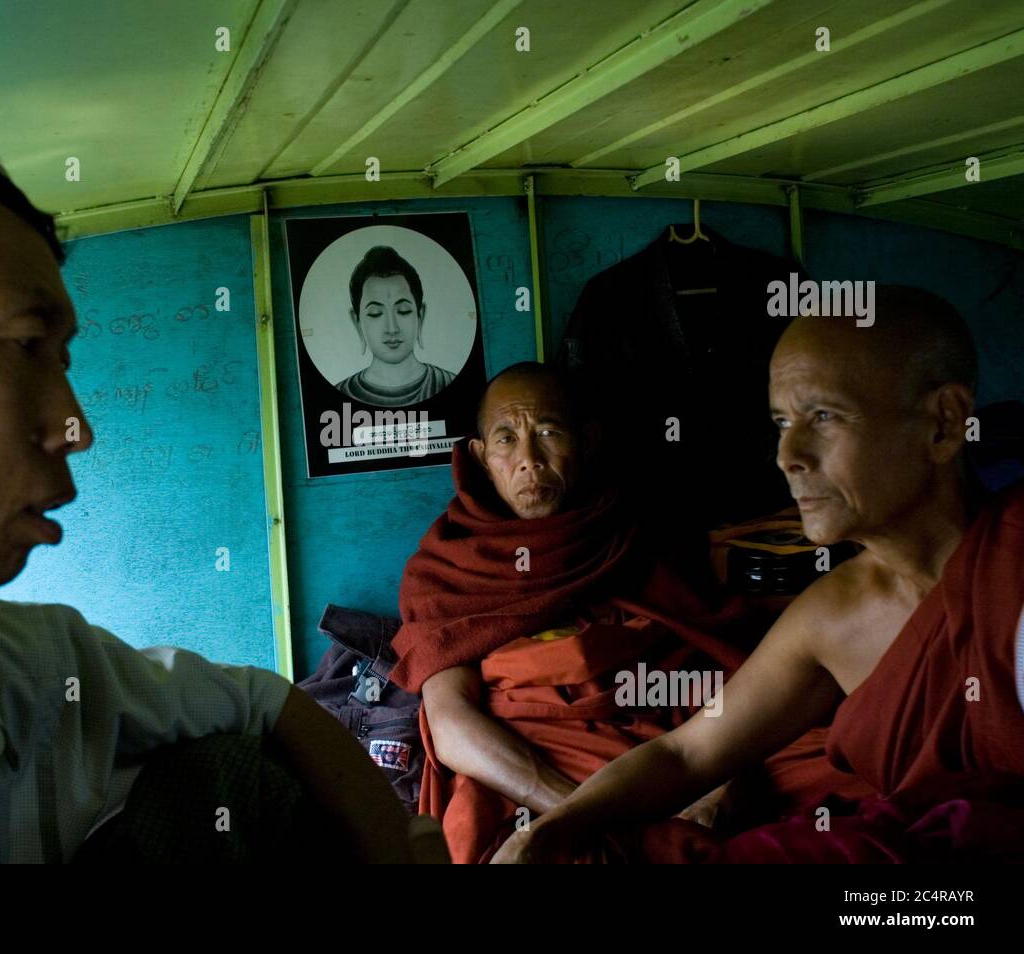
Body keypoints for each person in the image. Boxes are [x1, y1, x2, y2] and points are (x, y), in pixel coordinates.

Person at [0, 100, 415, 864]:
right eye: (23, 347)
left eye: (64, 360)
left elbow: (265, 699)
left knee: (228, 774)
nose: (76, 426)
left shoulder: (8, 663)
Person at [494, 286, 1024, 863]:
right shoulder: (832, 614)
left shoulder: (1011, 563)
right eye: (781, 422)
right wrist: (545, 833)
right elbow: (687, 755)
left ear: (944, 424)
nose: (787, 454)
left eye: (823, 416)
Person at [389, 361, 759, 863]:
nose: (529, 460)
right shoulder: (449, 568)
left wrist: (725, 783)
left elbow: (731, 673)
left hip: (664, 752)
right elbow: (453, 725)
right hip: (527, 771)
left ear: (587, 440)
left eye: (548, 432)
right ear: (479, 457)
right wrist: (581, 815)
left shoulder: (636, 536)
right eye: (506, 439)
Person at [335, 245, 456, 406]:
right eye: (375, 313)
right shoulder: (342, 393)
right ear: (357, 322)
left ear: (420, 315)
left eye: (404, 311)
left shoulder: (448, 383)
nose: (392, 328)